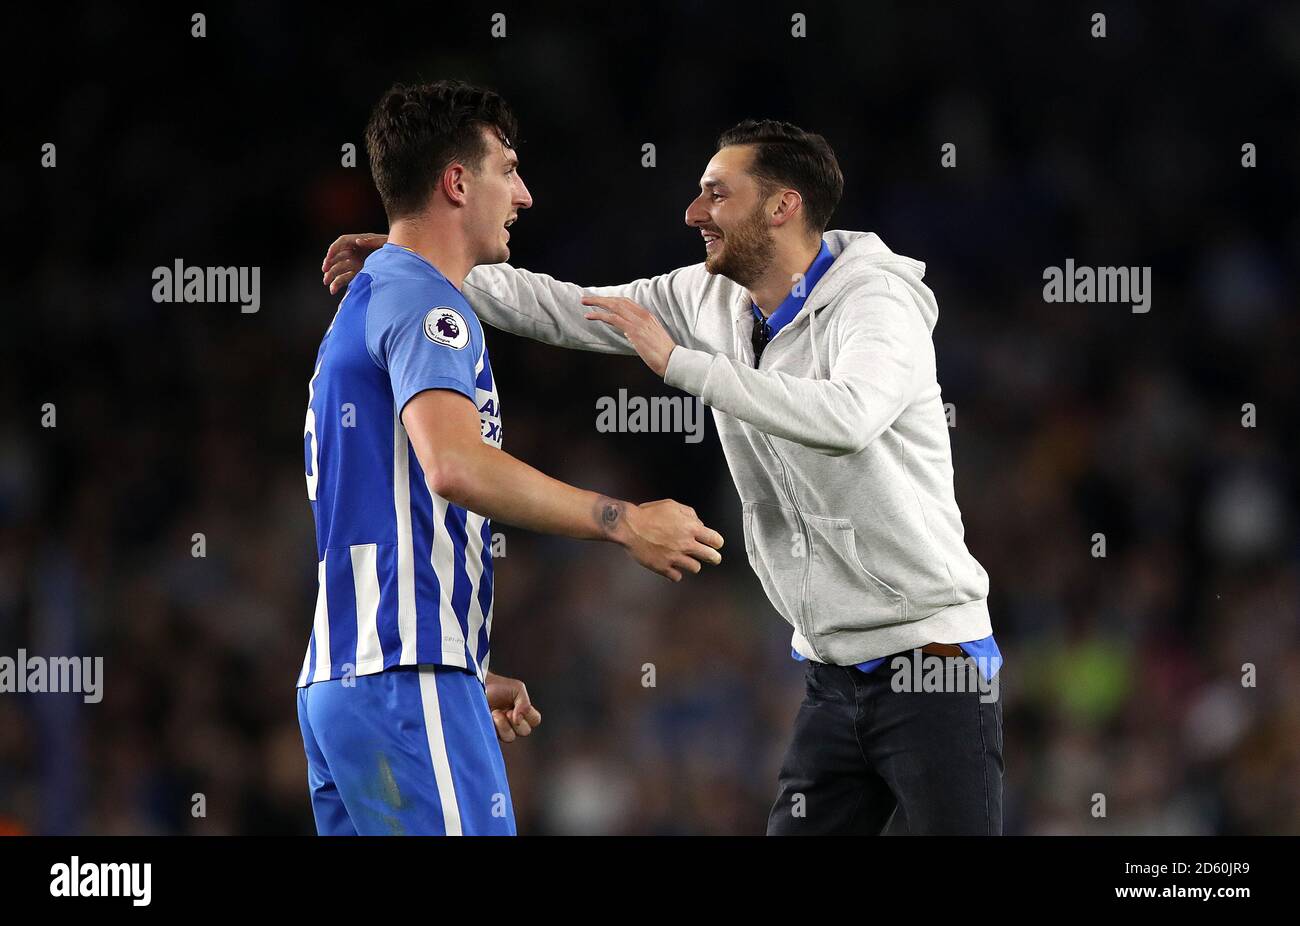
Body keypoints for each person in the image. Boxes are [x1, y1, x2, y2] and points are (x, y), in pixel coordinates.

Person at [323, 118, 1002, 835]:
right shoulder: (707, 299)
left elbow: (849, 418)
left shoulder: (876, 302)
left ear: (783, 206)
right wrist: (425, 261)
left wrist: (681, 366)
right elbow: (562, 305)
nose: (694, 212)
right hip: (831, 674)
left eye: (716, 194)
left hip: (933, 664)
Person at [299, 80, 724, 836]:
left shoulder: (368, 301)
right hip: (405, 677)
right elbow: (454, 465)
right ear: (457, 183)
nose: (523, 195)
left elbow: (382, 501)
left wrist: (463, 665)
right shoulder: (425, 306)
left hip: (350, 681)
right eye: (509, 170)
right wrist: (622, 520)